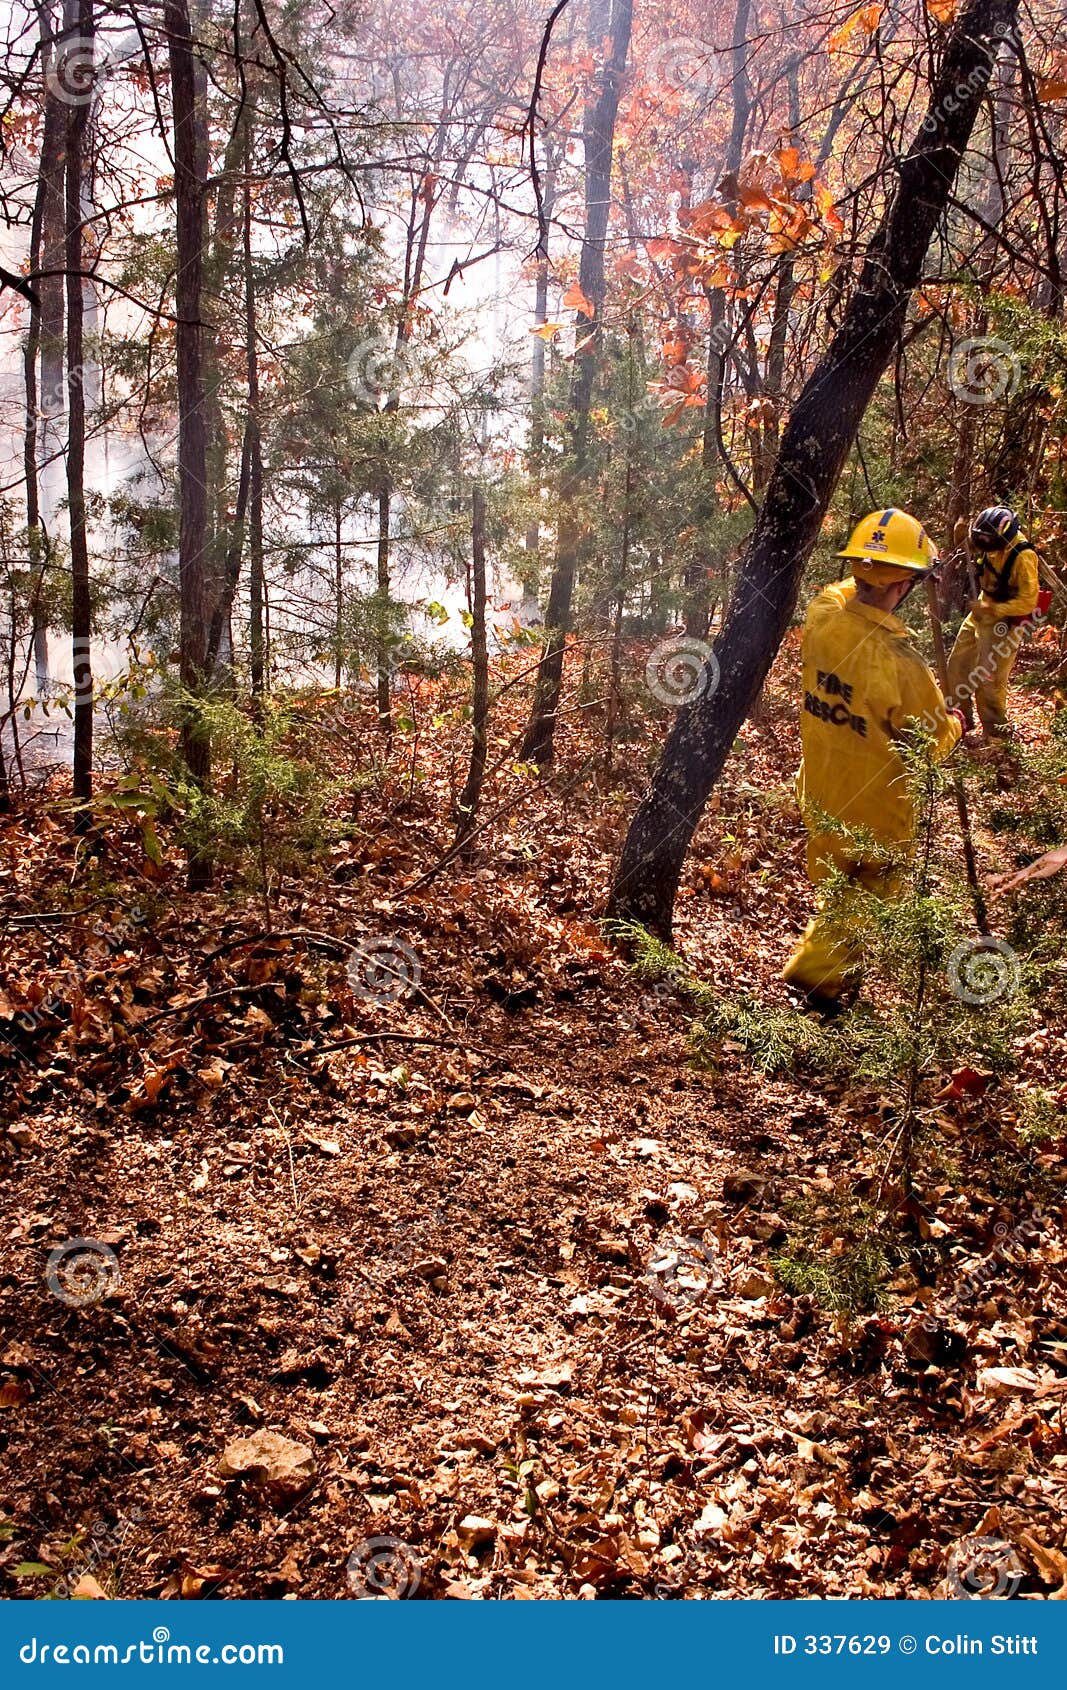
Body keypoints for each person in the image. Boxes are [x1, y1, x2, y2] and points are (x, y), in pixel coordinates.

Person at [784, 509, 964, 1010]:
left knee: (840, 885)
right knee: (873, 889)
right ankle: (816, 976)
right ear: (904, 585)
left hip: (821, 787)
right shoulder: (901, 663)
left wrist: (880, 560)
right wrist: (954, 724)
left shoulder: (823, 616)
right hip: (877, 806)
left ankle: (830, 977)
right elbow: (928, 743)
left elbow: (844, 590)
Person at [945, 506, 1040, 742]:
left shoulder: (1023, 556)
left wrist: (995, 609)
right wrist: (961, 537)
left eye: (989, 540)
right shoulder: (986, 539)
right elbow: (973, 549)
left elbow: (1028, 602)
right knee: (957, 665)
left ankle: (996, 734)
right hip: (983, 608)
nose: (984, 544)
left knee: (989, 680)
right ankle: (960, 720)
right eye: (981, 539)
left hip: (1005, 620)